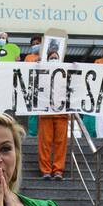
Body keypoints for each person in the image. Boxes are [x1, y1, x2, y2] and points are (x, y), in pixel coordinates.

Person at [37, 48, 69, 179]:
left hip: (61, 114)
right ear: (48, 59)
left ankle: (58, 170)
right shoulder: (42, 72)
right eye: (52, 57)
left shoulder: (66, 73)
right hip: (46, 113)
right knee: (45, 143)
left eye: (56, 57)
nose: (54, 60)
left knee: (61, 143)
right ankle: (45, 170)